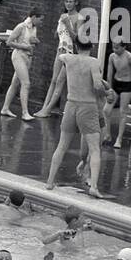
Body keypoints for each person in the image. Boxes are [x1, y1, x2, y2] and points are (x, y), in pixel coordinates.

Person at [45, 38, 107, 196]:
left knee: (62, 145)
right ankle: (93, 186)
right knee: (94, 149)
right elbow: (97, 85)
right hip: (87, 106)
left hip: (71, 104)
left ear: (76, 46)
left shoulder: (68, 60)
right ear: (91, 47)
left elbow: (60, 76)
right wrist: (105, 91)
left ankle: (50, 181)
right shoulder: (94, 62)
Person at [34, 0, 83, 117]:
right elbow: (58, 36)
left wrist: (67, 24)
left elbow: (77, 38)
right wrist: (60, 25)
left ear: (76, 2)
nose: (68, 4)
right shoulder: (63, 16)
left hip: (70, 53)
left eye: (70, 1)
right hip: (60, 50)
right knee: (54, 80)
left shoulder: (79, 18)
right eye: (66, 1)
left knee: (61, 81)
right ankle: (44, 108)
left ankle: (47, 109)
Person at [0, 10, 40, 120]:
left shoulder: (33, 28)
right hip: (19, 56)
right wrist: (24, 47)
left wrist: (35, 41)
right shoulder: (21, 26)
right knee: (26, 83)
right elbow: (9, 42)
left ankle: (5, 108)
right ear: (34, 17)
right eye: (40, 19)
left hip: (28, 57)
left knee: (15, 83)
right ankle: (25, 112)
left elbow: (30, 42)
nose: (41, 22)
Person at [103, 38, 131, 148]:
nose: (114, 50)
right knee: (106, 110)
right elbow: (109, 75)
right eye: (113, 47)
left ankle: (119, 139)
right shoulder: (112, 57)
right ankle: (107, 134)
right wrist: (109, 91)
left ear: (124, 47)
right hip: (116, 84)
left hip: (127, 85)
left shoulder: (129, 57)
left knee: (122, 112)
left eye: (117, 47)